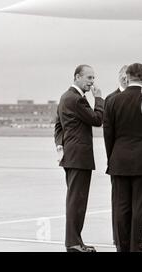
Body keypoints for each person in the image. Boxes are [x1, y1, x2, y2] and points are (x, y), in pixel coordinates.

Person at [103, 63, 142, 252]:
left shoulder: (113, 101)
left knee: (121, 207)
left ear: (128, 77)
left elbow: (108, 134)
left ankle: (122, 247)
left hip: (119, 159)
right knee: (140, 207)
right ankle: (136, 246)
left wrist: (112, 157)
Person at [54, 64, 104, 252]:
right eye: (89, 78)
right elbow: (97, 119)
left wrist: (60, 144)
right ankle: (73, 243)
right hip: (79, 157)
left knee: (76, 200)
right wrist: (98, 99)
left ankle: (76, 241)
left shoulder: (64, 97)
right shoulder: (76, 99)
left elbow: (58, 125)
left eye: (93, 78)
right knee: (77, 201)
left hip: (71, 155)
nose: (92, 82)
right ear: (77, 77)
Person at [103, 64, 128, 248]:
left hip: (135, 160)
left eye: (129, 76)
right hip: (117, 159)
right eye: (124, 76)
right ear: (120, 77)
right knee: (118, 202)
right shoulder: (110, 99)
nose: (126, 79)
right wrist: (110, 157)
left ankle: (134, 236)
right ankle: (118, 237)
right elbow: (108, 133)